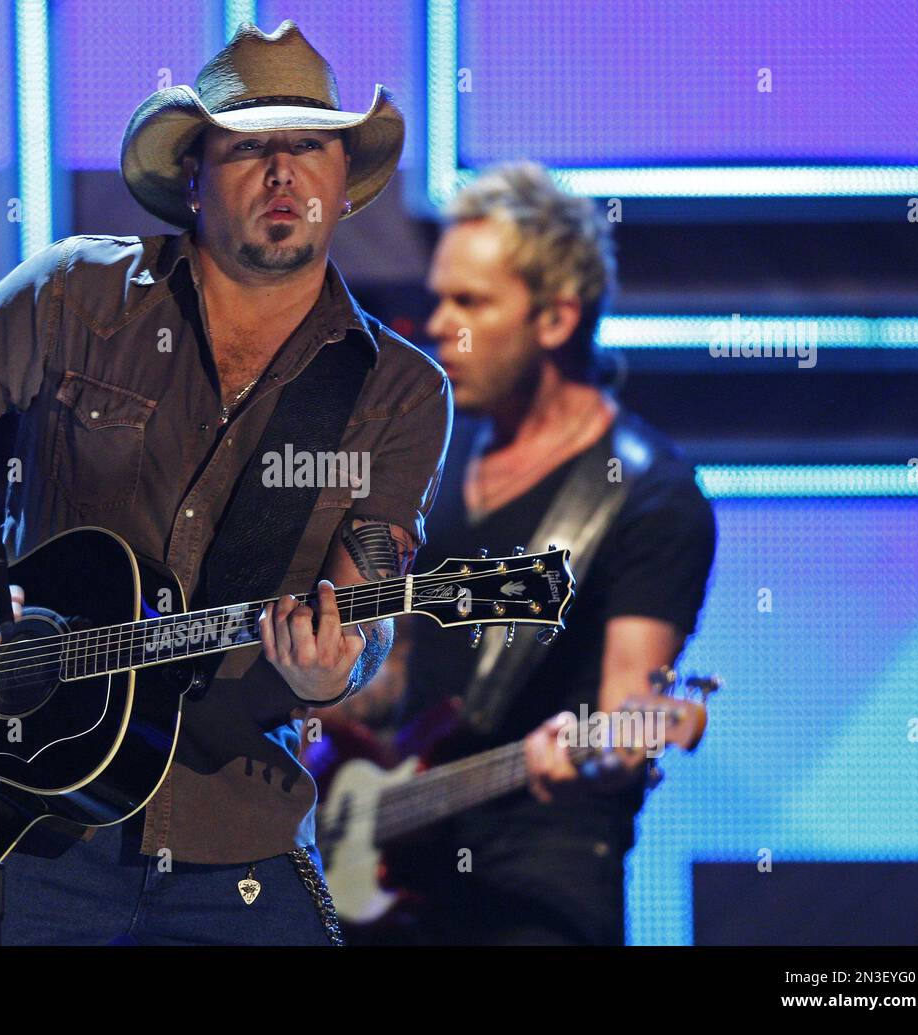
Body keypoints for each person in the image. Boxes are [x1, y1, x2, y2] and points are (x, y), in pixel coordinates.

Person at [0, 20, 450, 946]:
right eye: (249, 148)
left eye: (308, 146)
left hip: (233, 830)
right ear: (193, 175)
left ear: (343, 181)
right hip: (26, 819)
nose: (282, 174)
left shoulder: (399, 390)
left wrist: (338, 664)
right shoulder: (76, 294)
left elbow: (362, 606)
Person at [334, 161, 716, 945]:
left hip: (541, 886)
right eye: (440, 296)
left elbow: (628, 717)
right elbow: (399, 670)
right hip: (398, 867)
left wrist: (601, 751)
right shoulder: (436, 458)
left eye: (470, 301)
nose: (439, 322)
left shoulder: (649, 493)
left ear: (555, 319)